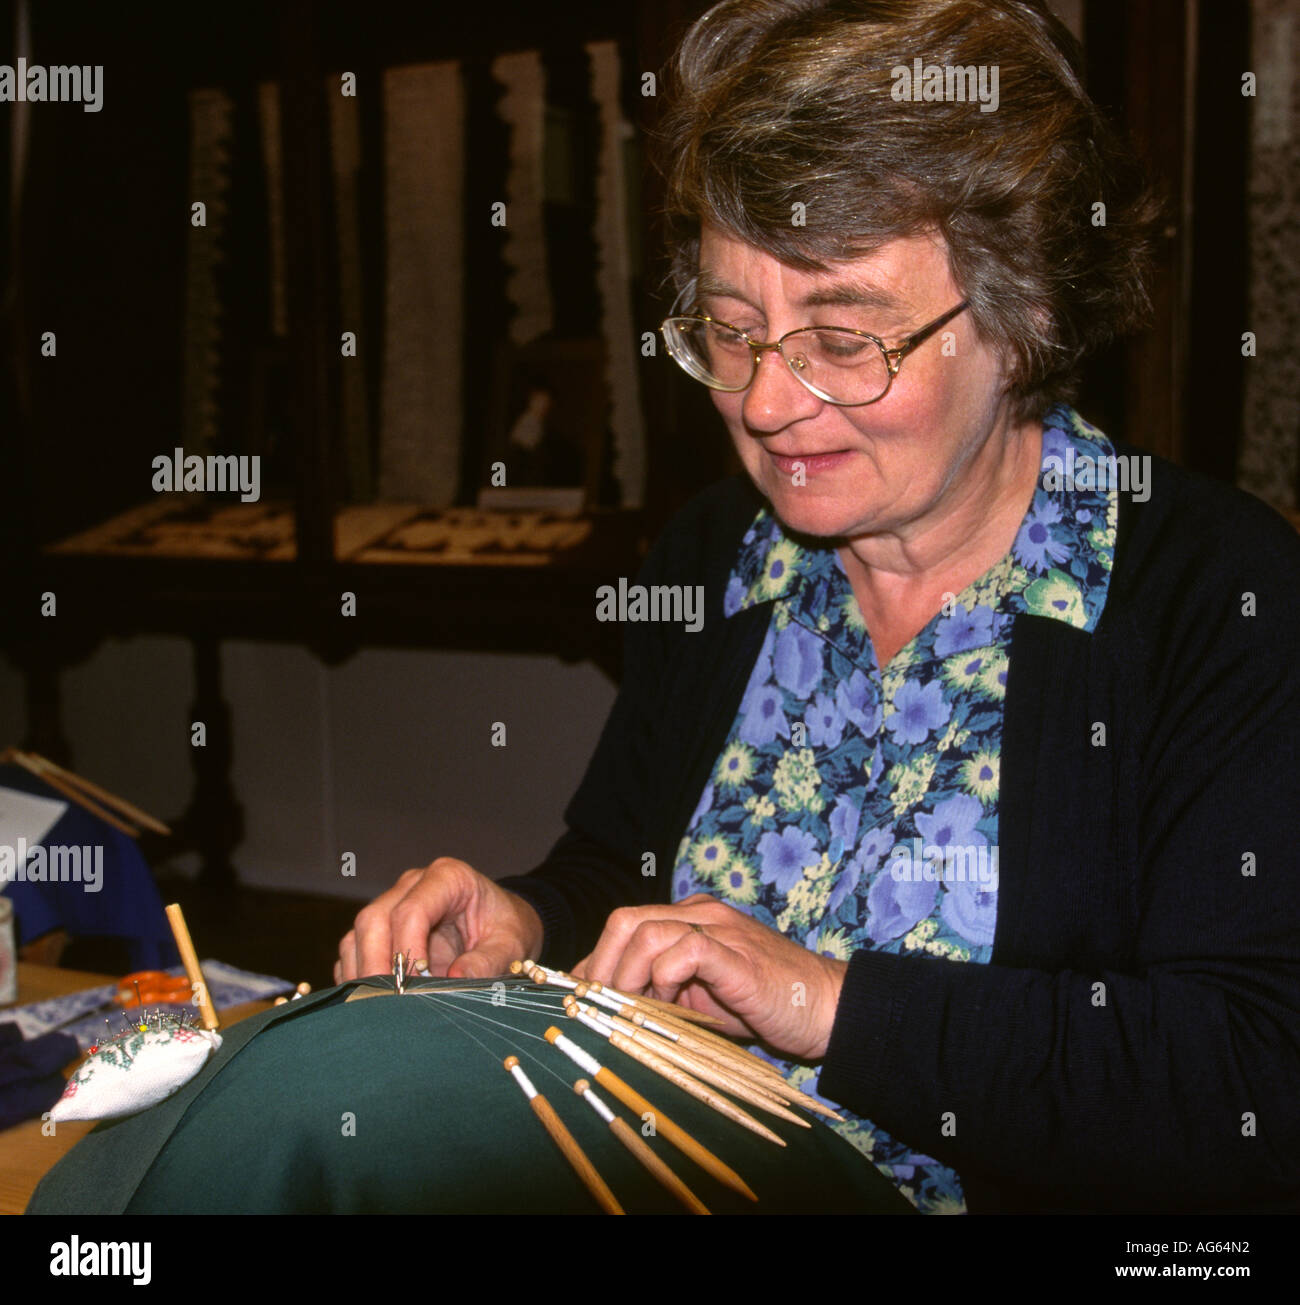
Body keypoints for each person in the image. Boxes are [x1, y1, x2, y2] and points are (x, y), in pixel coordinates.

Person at [338, 0, 1300, 1213]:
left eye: (844, 339)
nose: (767, 404)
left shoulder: (1215, 598)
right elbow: (623, 867)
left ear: (1028, 314)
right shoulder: (718, 556)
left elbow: (1249, 1084)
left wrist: (822, 1003)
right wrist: (524, 921)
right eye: (731, 334)